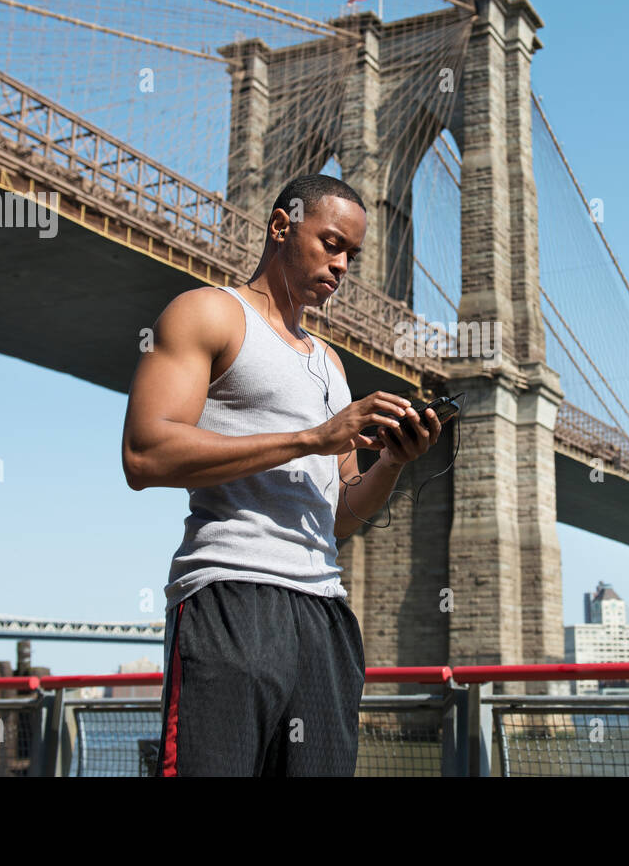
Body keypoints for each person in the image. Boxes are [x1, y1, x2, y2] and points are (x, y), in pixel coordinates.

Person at [121, 173, 442, 776]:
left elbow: (343, 513)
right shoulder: (209, 313)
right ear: (280, 226)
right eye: (331, 242)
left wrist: (394, 462)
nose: (343, 264)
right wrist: (312, 438)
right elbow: (145, 454)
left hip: (324, 615)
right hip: (232, 598)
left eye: (353, 253)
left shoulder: (331, 363)